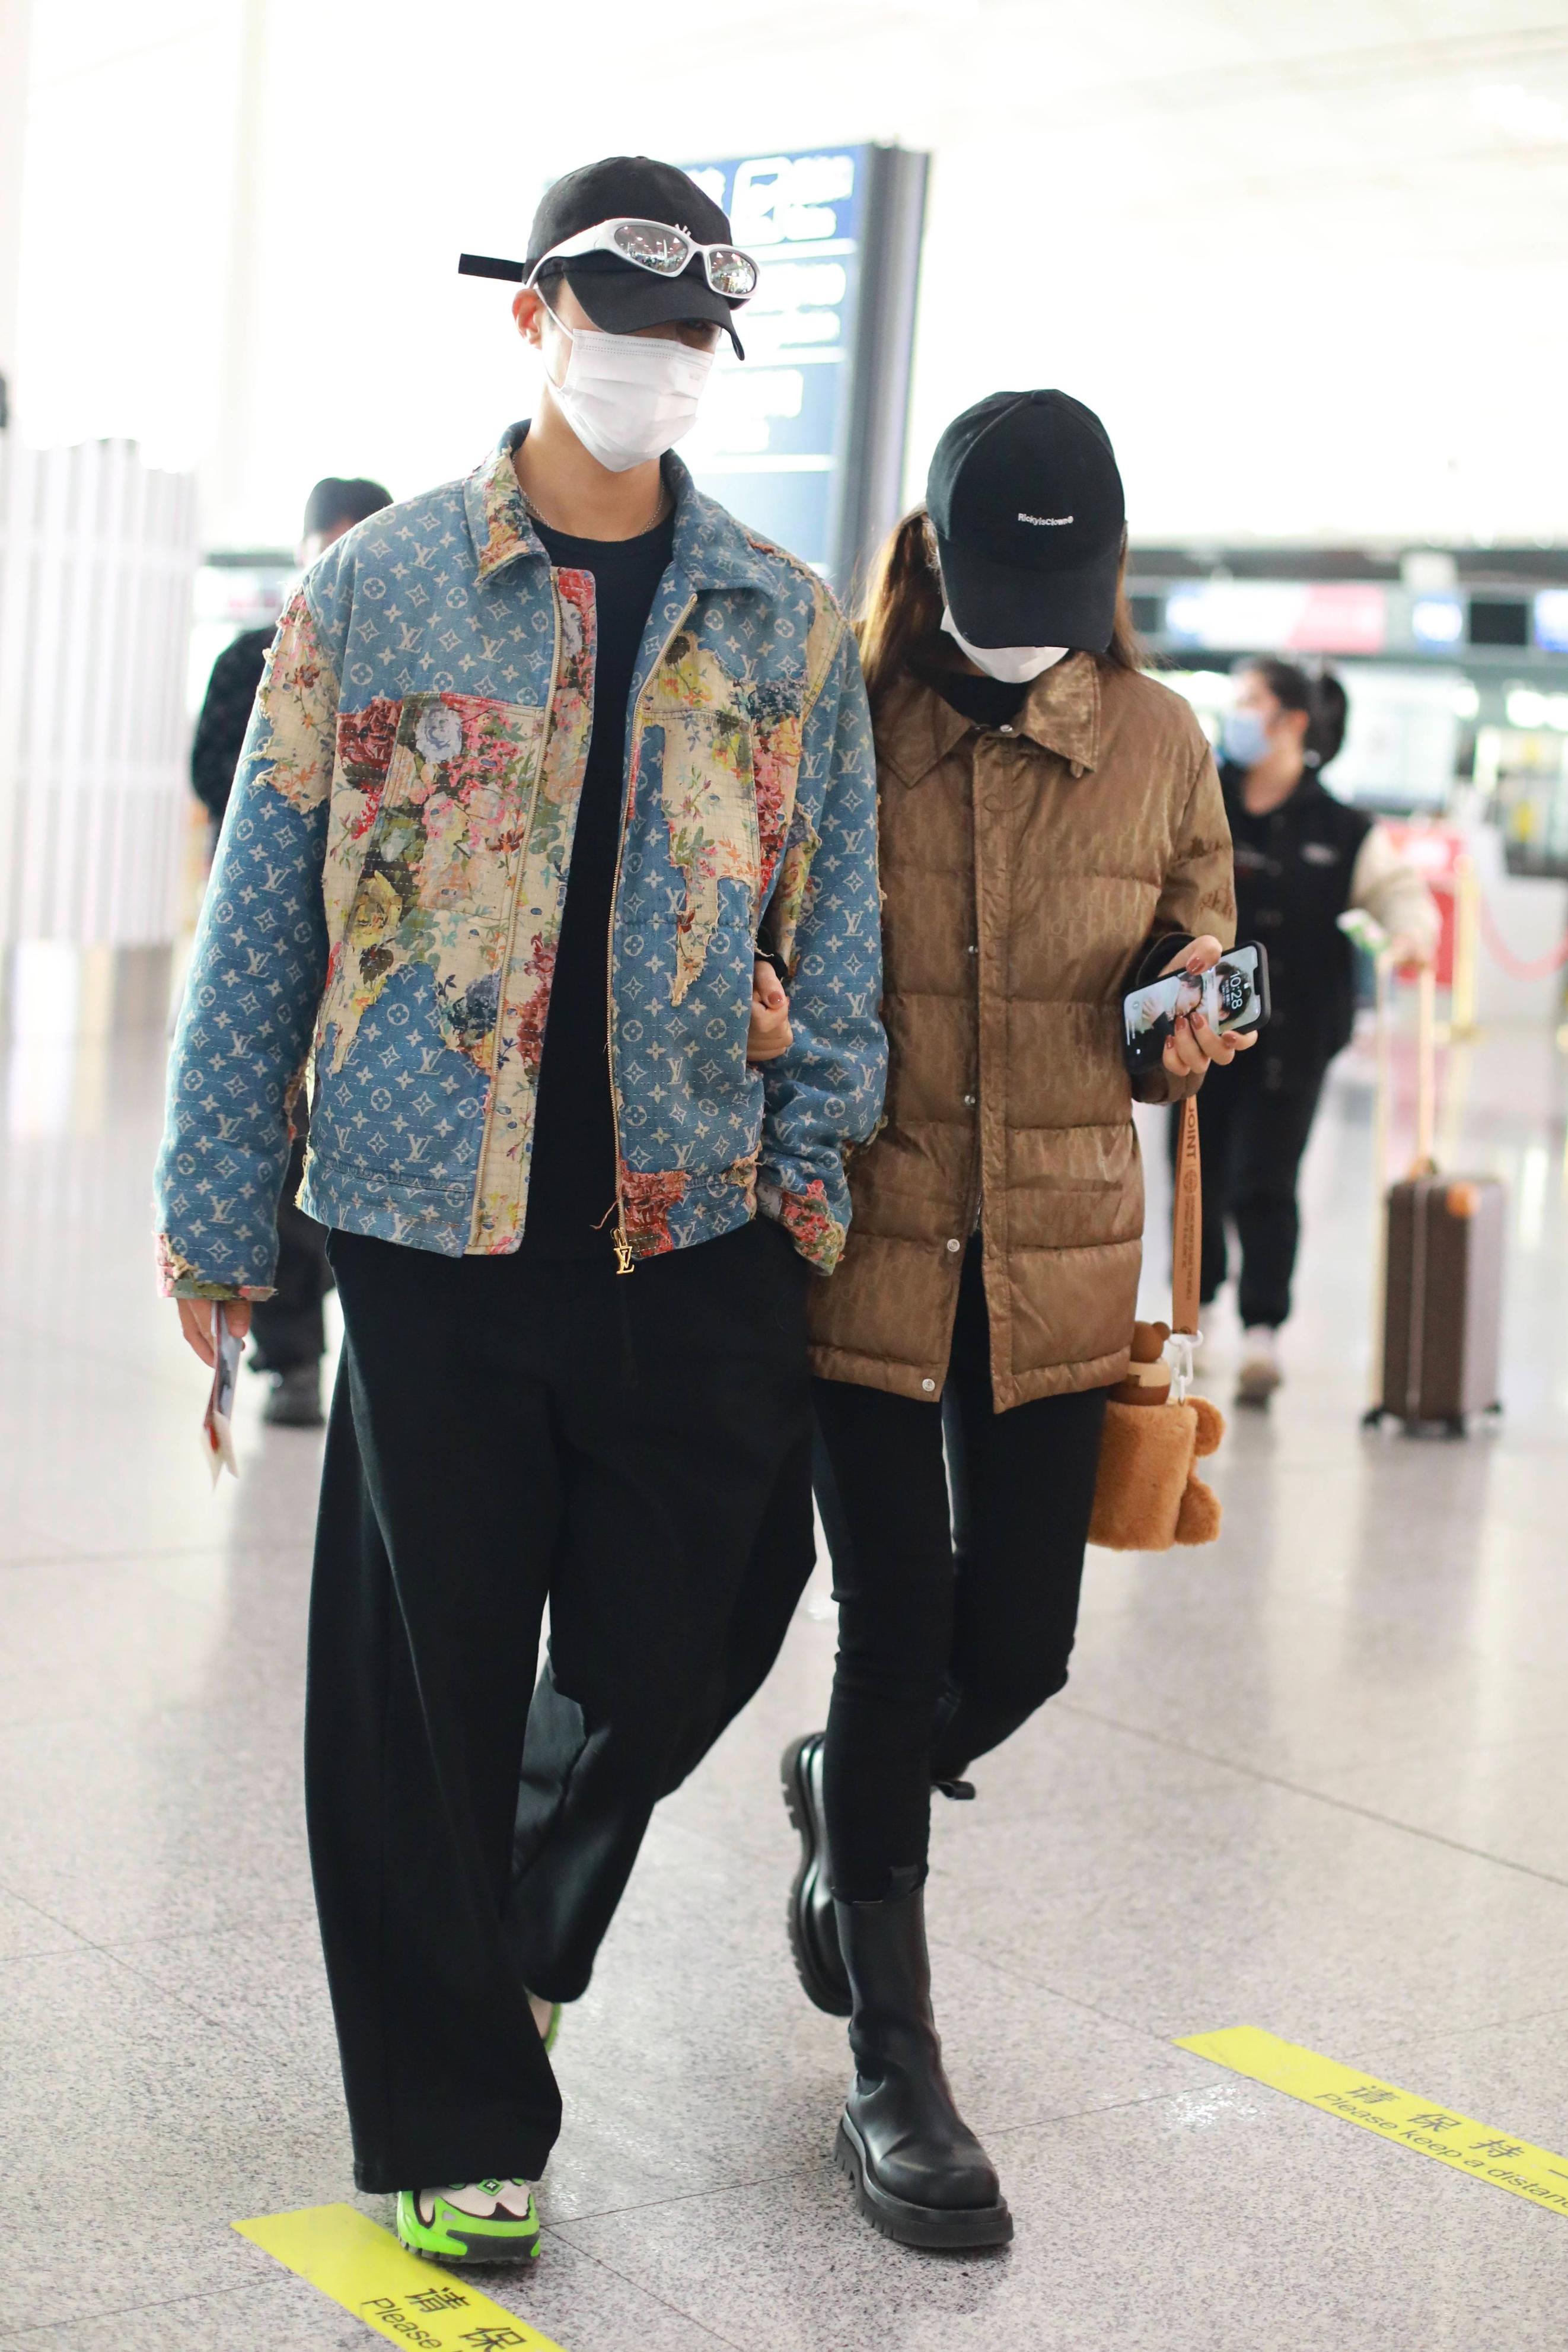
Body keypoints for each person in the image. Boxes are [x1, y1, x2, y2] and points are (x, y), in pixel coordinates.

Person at [155, 152, 884, 2266]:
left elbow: (830, 916)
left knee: (701, 1617)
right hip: (423, 1224)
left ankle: (524, 1928)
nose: (643, 366)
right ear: (530, 319)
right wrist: (221, 1220)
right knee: (424, 1675)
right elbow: (258, 928)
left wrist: (813, 1153)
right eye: (611, 323)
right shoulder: (373, 593)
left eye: (681, 339)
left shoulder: (774, 612)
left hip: (697, 1216)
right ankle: (461, 2112)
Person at [777, 391, 1248, 2249]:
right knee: (894, 1630)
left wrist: (1191, 1008)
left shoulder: (1156, 738)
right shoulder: (848, 721)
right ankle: (895, 2068)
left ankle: (841, 1789)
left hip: (1056, 1257)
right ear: (937, 557)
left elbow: (1178, 951)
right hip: (865, 1252)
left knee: (1025, 1644)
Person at [190, 475, 393, 1427]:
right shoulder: (253, 663)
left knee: (339, 1150)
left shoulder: (409, 673)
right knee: (272, 1151)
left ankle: (340, 1341)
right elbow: (211, 773)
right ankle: (293, 1351)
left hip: (367, 960)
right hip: (275, 946)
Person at [1189, 658, 1438, 1405]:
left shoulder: (1343, 826)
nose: (1236, 714)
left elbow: (1399, 894)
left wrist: (1413, 936)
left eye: (1249, 701)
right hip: (1200, 1027)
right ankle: (1193, 1313)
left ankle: (1263, 1329)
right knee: (1195, 1174)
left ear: (1291, 721)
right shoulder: (1203, 800)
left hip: (1294, 1036)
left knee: (1267, 1179)